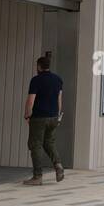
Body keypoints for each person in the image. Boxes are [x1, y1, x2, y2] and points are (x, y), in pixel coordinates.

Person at [23, 56, 64, 186]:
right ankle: (58, 164)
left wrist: (27, 115)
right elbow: (59, 99)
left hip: (39, 118)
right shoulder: (58, 79)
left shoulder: (36, 80)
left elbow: (31, 100)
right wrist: (57, 115)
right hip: (53, 117)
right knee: (49, 142)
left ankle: (37, 176)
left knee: (35, 144)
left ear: (39, 66)